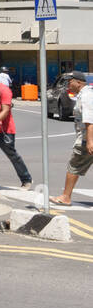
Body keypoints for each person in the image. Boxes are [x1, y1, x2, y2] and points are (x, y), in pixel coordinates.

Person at [52, 73, 93, 207]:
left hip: (87, 138)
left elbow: (89, 121)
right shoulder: (85, 94)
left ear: (79, 82)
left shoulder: (86, 96)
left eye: (70, 82)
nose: (68, 84)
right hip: (87, 135)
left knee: (74, 166)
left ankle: (65, 197)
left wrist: (90, 141)